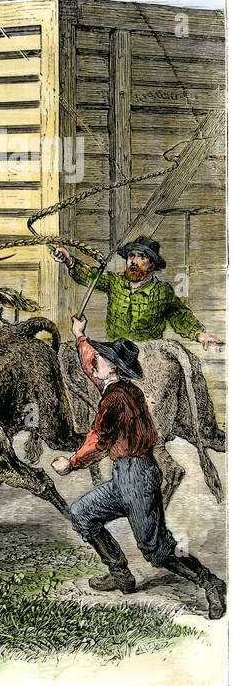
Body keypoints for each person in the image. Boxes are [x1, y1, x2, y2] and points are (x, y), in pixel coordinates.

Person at [51, 316, 225, 619]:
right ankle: (120, 574)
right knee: (81, 513)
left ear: (114, 368)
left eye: (102, 359)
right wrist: (80, 338)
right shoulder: (118, 385)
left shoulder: (116, 399)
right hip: (125, 477)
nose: (97, 361)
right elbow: (91, 367)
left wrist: (71, 463)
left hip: (139, 478)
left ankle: (210, 582)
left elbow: (99, 440)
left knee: (156, 551)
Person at [54, 237, 223, 349]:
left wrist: (199, 334)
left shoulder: (162, 292)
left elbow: (179, 316)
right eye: (131, 256)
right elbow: (90, 277)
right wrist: (69, 261)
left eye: (141, 256)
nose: (133, 261)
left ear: (153, 265)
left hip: (148, 355)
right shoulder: (115, 282)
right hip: (116, 353)